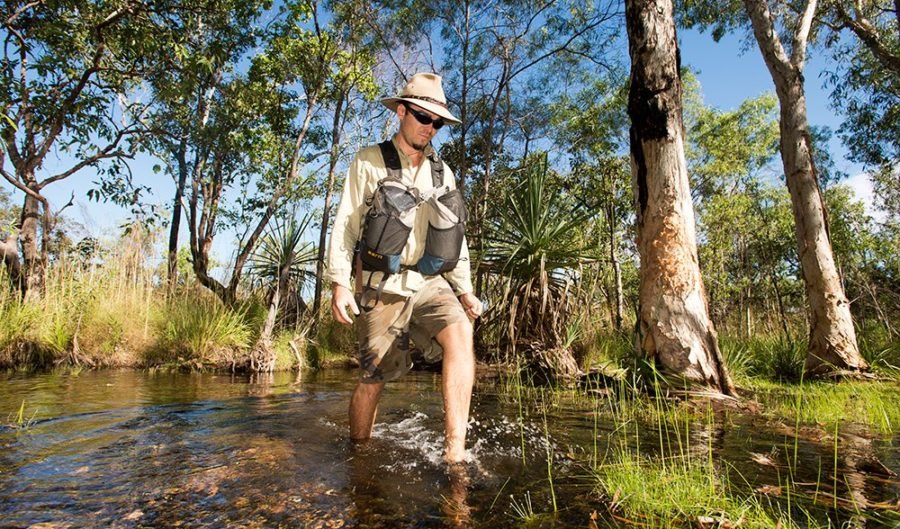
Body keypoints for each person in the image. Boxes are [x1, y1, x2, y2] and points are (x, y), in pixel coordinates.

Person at [326, 73, 482, 463]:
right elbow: (346, 224)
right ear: (401, 111)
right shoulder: (368, 161)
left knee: (461, 332)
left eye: (438, 123)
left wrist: (464, 290)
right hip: (381, 284)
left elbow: (455, 238)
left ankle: (454, 452)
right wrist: (339, 283)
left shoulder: (443, 173)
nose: (431, 128)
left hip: (429, 282)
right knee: (375, 377)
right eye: (422, 118)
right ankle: (358, 455)